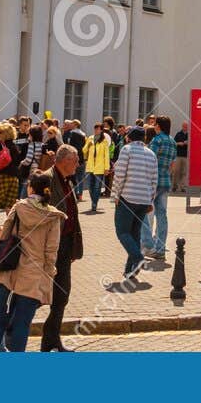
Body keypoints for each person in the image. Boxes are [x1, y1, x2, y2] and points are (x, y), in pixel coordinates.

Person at [0, 170, 63, 353]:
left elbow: (4, 236)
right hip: (33, 276)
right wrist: (49, 275)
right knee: (22, 324)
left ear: (31, 188)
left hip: (9, 271)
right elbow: (51, 251)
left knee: (0, 321)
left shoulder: (19, 208)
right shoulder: (53, 217)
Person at [39, 146, 83, 352]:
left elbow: (72, 213)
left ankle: (51, 340)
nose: (77, 164)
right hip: (47, 248)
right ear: (63, 161)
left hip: (65, 247)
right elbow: (39, 213)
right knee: (34, 298)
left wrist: (74, 247)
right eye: (74, 160)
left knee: (61, 295)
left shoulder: (67, 180)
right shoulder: (46, 180)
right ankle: (12, 335)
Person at [109, 125, 156, 280]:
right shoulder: (151, 154)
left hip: (127, 198)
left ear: (129, 137)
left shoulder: (126, 150)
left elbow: (119, 175)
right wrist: (150, 199)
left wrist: (115, 195)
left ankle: (138, 259)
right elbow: (154, 180)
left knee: (122, 232)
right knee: (135, 233)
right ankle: (131, 271)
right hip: (144, 199)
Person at [141, 115, 176, 260]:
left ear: (159, 126)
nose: (154, 127)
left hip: (152, 183)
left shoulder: (157, 140)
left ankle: (147, 246)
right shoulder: (172, 141)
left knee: (145, 213)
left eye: (155, 125)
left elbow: (150, 159)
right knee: (162, 216)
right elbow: (172, 165)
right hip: (165, 182)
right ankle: (160, 248)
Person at [82, 122, 112, 214]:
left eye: (98, 129)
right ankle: (93, 201)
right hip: (90, 166)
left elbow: (106, 155)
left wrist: (107, 168)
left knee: (97, 187)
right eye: (95, 128)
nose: (95, 130)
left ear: (101, 130)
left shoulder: (104, 141)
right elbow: (84, 150)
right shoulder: (90, 138)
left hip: (100, 167)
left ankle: (94, 204)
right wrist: (88, 144)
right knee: (90, 187)